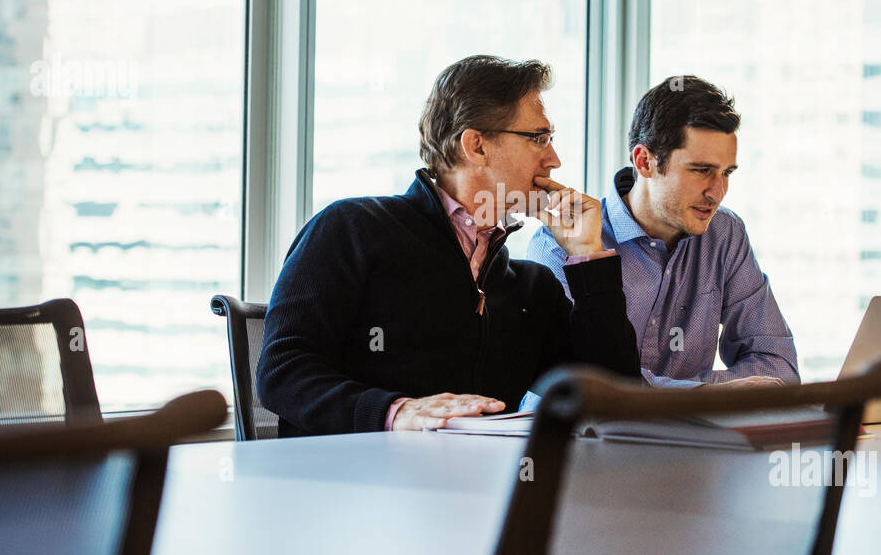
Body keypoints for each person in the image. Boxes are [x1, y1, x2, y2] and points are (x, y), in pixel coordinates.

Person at [256, 54, 640, 435]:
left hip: (477, 486)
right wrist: (396, 413)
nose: (554, 160)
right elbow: (282, 371)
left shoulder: (530, 288)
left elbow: (616, 399)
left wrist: (589, 256)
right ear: (476, 146)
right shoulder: (352, 229)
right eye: (538, 138)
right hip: (353, 482)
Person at [526, 75, 798, 387]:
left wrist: (692, 397)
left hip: (690, 435)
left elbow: (780, 369)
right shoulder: (564, 243)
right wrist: (706, 395)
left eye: (726, 173)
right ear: (644, 162)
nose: (718, 192)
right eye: (701, 170)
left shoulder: (725, 233)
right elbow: (580, 385)